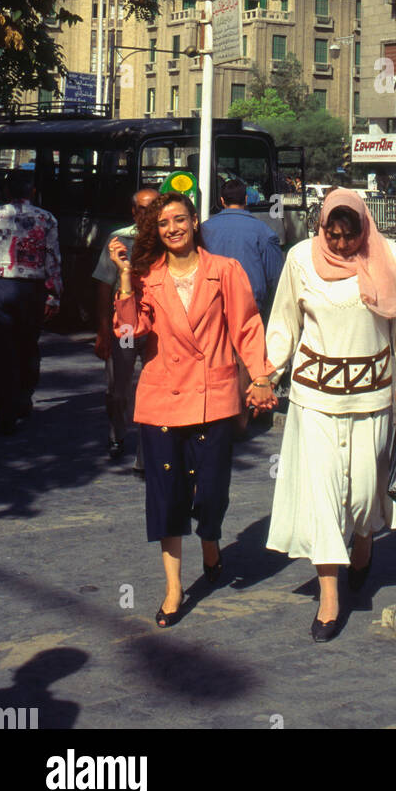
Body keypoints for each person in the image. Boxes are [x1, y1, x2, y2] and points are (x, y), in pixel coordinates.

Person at [109, 193, 277, 627]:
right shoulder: (148, 277)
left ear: (194, 220)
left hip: (214, 396)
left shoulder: (225, 271)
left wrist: (260, 377)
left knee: (212, 492)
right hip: (162, 398)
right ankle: (173, 587)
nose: (172, 229)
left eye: (179, 220)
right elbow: (129, 333)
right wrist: (126, 277)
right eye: (163, 224)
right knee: (166, 496)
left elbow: (246, 326)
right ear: (156, 231)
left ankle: (210, 538)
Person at [265, 188, 396, 642]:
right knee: (323, 494)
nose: (340, 246)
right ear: (321, 227)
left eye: (349, 239)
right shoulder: (299, 259)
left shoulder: (391, 255)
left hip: (373, 395)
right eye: (332, 236)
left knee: (366, 493)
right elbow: (284, 322)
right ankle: (330, 597)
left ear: (363, 230)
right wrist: (267, 374)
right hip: (314, 397)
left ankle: (365, 542)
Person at [92, 188, 158, 466]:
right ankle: (117, 434)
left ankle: (146, 455)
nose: (147, 215)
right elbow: (104, 286)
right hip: (128, 329)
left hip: (157, 328)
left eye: (153, 208)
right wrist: (104, 329)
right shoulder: (119, 239)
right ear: (134, 211)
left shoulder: (166, 240)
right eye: (142, 209)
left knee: (153, 389)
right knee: (119, 388)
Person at [0, 170, 61, 435]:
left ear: (7, 191)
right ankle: (23, 399)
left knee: (2, 349)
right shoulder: (46, 219)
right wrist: (54, 296)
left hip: (0, 287)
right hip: (32, 291)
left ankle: (5, 407)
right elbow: (53, 260)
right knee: (28, 345)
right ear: (31, 191)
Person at [201, 177, 284, 321]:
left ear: (221, 200)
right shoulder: (264, 232)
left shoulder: (204, 230)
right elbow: (276, 280)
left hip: (212, 310)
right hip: (250, 312)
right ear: (246, 199)